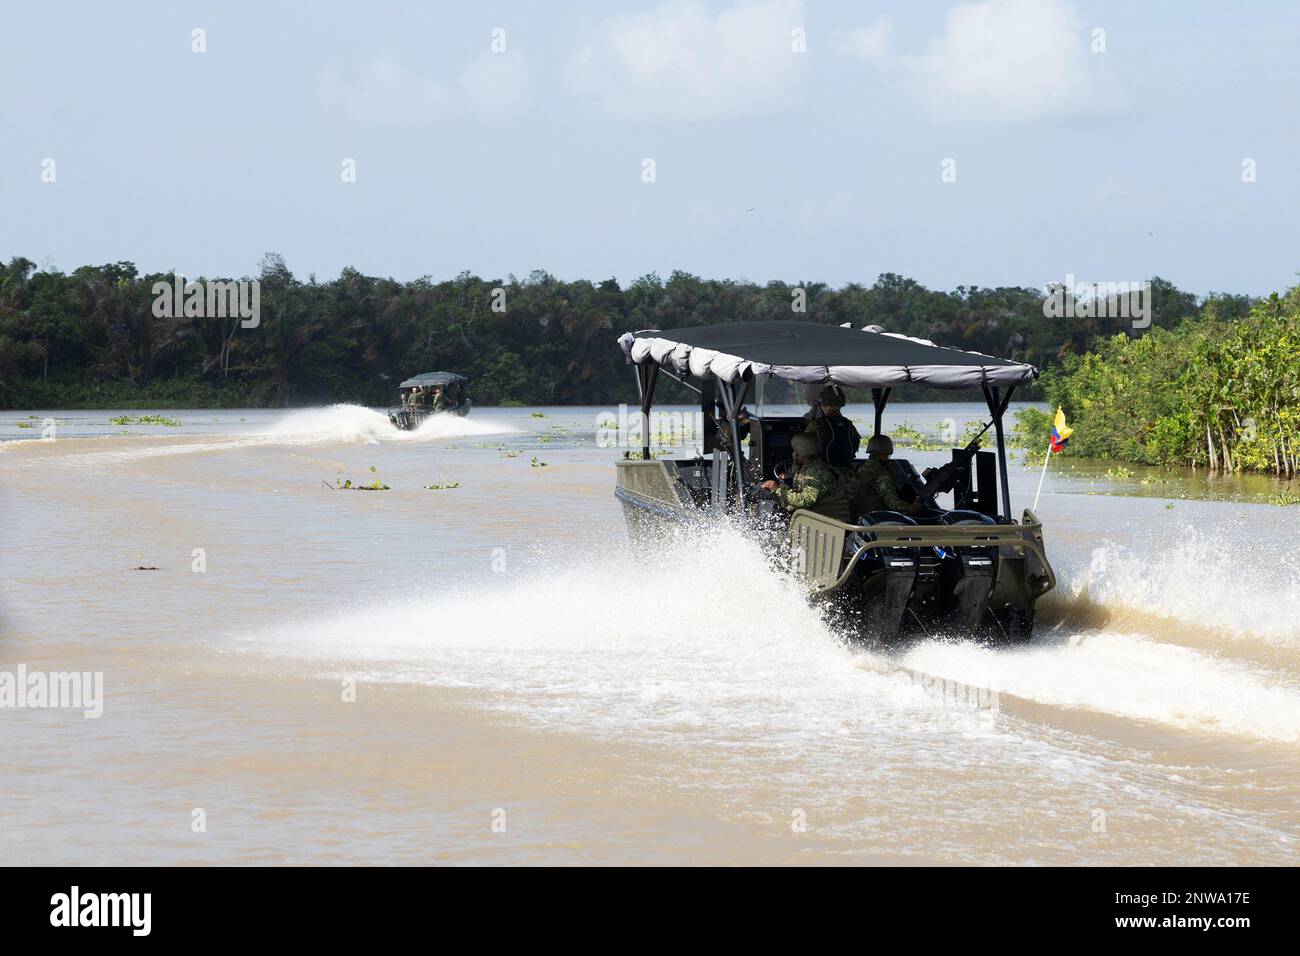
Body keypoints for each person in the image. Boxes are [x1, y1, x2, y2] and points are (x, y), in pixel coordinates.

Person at [760, 432, 851, 522]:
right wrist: (790, 476)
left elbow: (803, 501)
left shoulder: (816, 474)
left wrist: (777, 489)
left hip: (830, 521)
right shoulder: (809, 465)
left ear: (801, 454)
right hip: (819, 515)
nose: (793, 454)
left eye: (795, 451)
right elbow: (802, 477)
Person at [851, 434, 922, 519]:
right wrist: (913, 508)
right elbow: (893, 504)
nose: (888, 459)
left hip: (857, 516)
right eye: (888, 455)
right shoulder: (881, 474)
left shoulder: (859, 468)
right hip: (873, 519)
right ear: (883, 454)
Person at [803, 384, 861, 471]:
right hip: (845, 470)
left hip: (823, 471)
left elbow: (803, 447)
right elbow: (855, 445)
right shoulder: (849, 424)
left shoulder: (817, 424)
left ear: (823, 404)